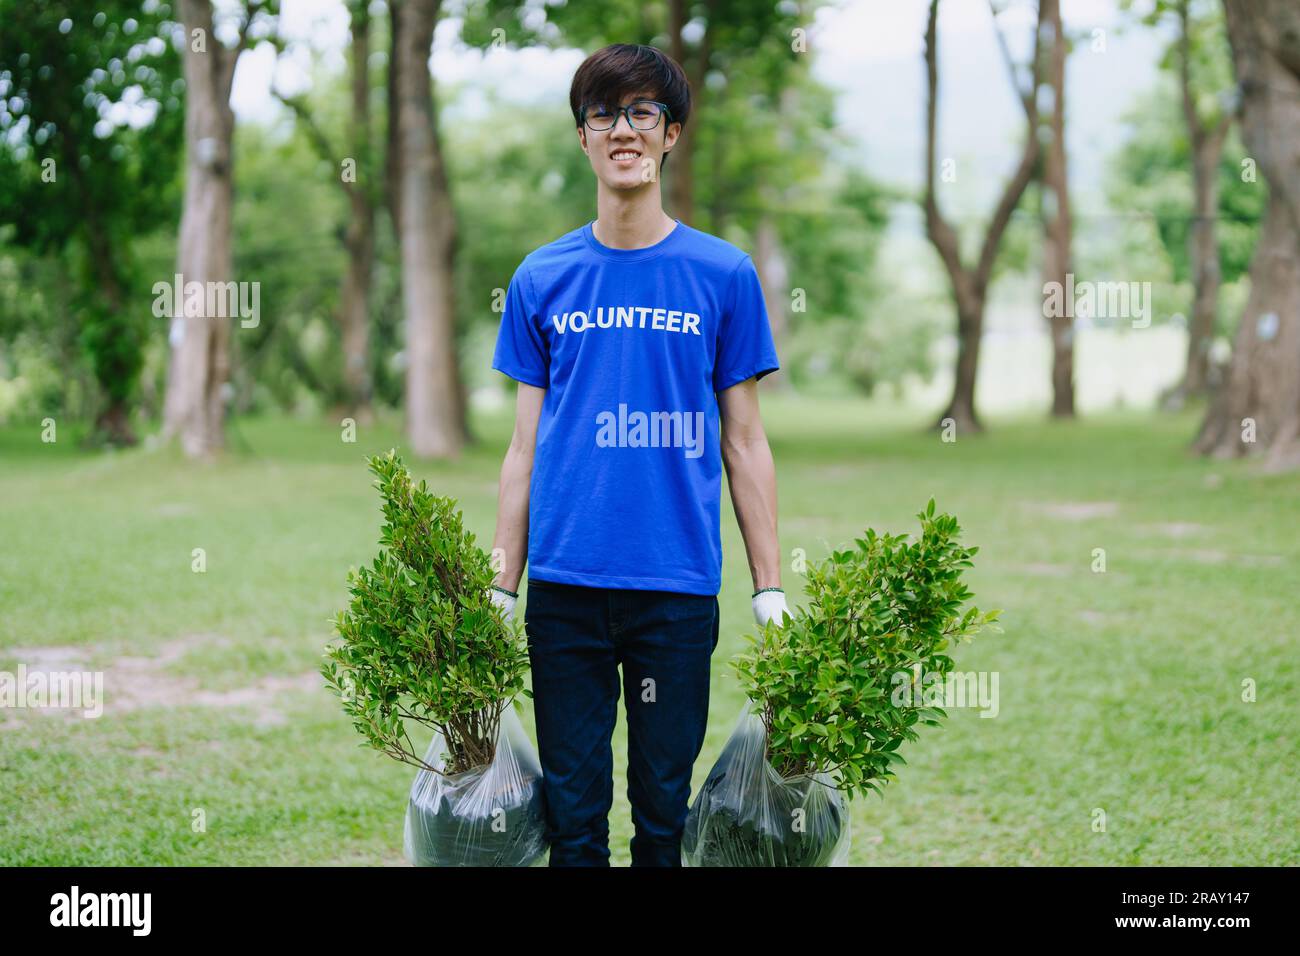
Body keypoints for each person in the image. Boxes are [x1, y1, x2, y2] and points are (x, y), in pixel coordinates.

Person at [488, 42, 789, 867]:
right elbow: (523, 448)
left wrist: (768, 586)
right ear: (582, 137)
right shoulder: (541, 278)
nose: (623, 129)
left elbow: (745, 438)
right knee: (573, 819)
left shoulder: (722, 275)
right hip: (567, 591)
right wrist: (500, 583)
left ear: (671, 136)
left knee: (663, 817)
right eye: (603, 113)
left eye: (642, 112)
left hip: (676, 590)